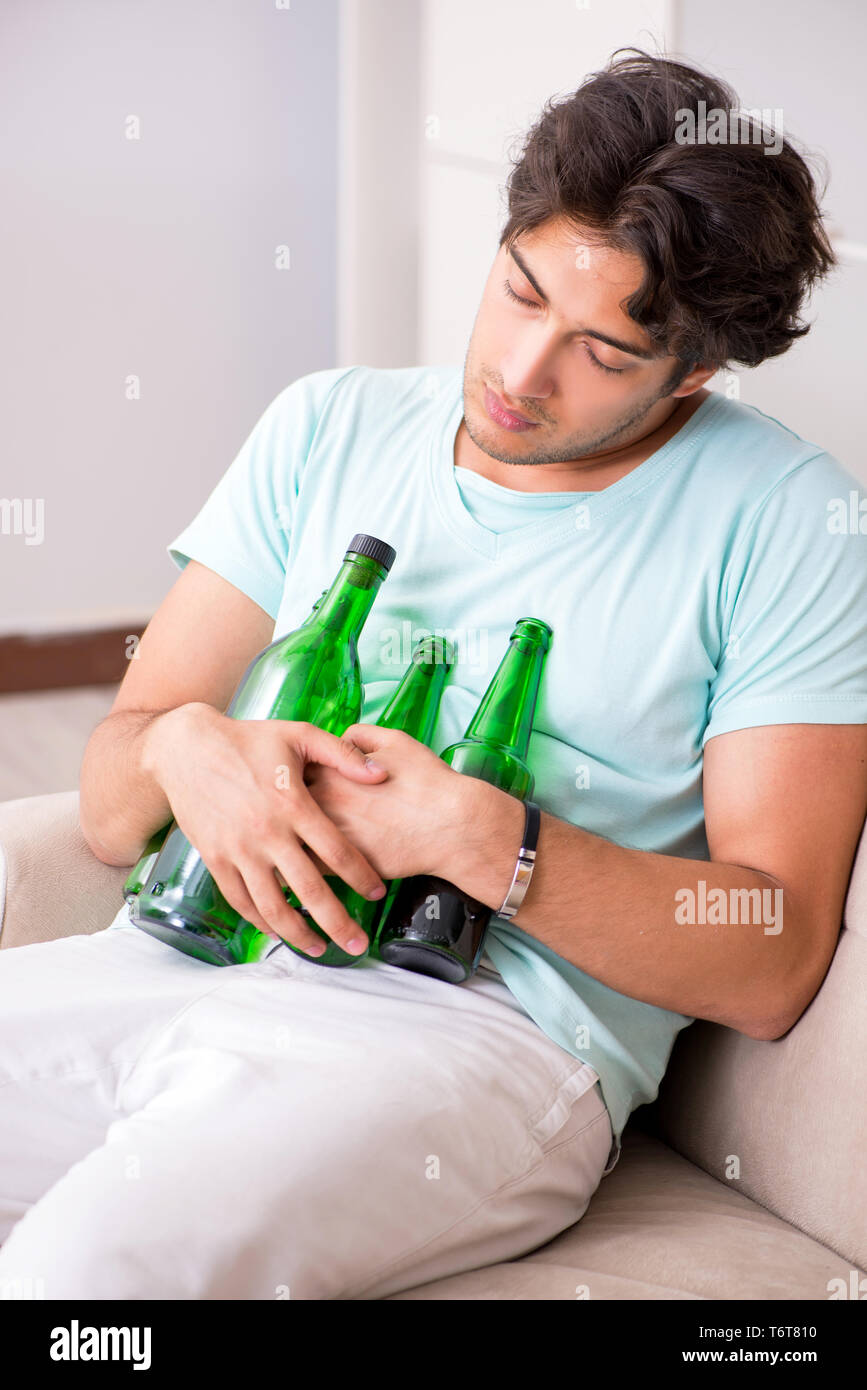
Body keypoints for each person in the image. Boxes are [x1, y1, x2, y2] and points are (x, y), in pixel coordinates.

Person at [1, 48, 866, 1301]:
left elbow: (776, 948)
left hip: (466, 1035)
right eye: (518, 292)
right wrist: (186, 749)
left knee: (87, 1275)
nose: (522, 373)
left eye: (601, 353)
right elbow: (112, 789)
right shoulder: (329, 425)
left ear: (694, 370)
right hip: (168, 957)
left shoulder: (786, 521)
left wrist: (496, 845)